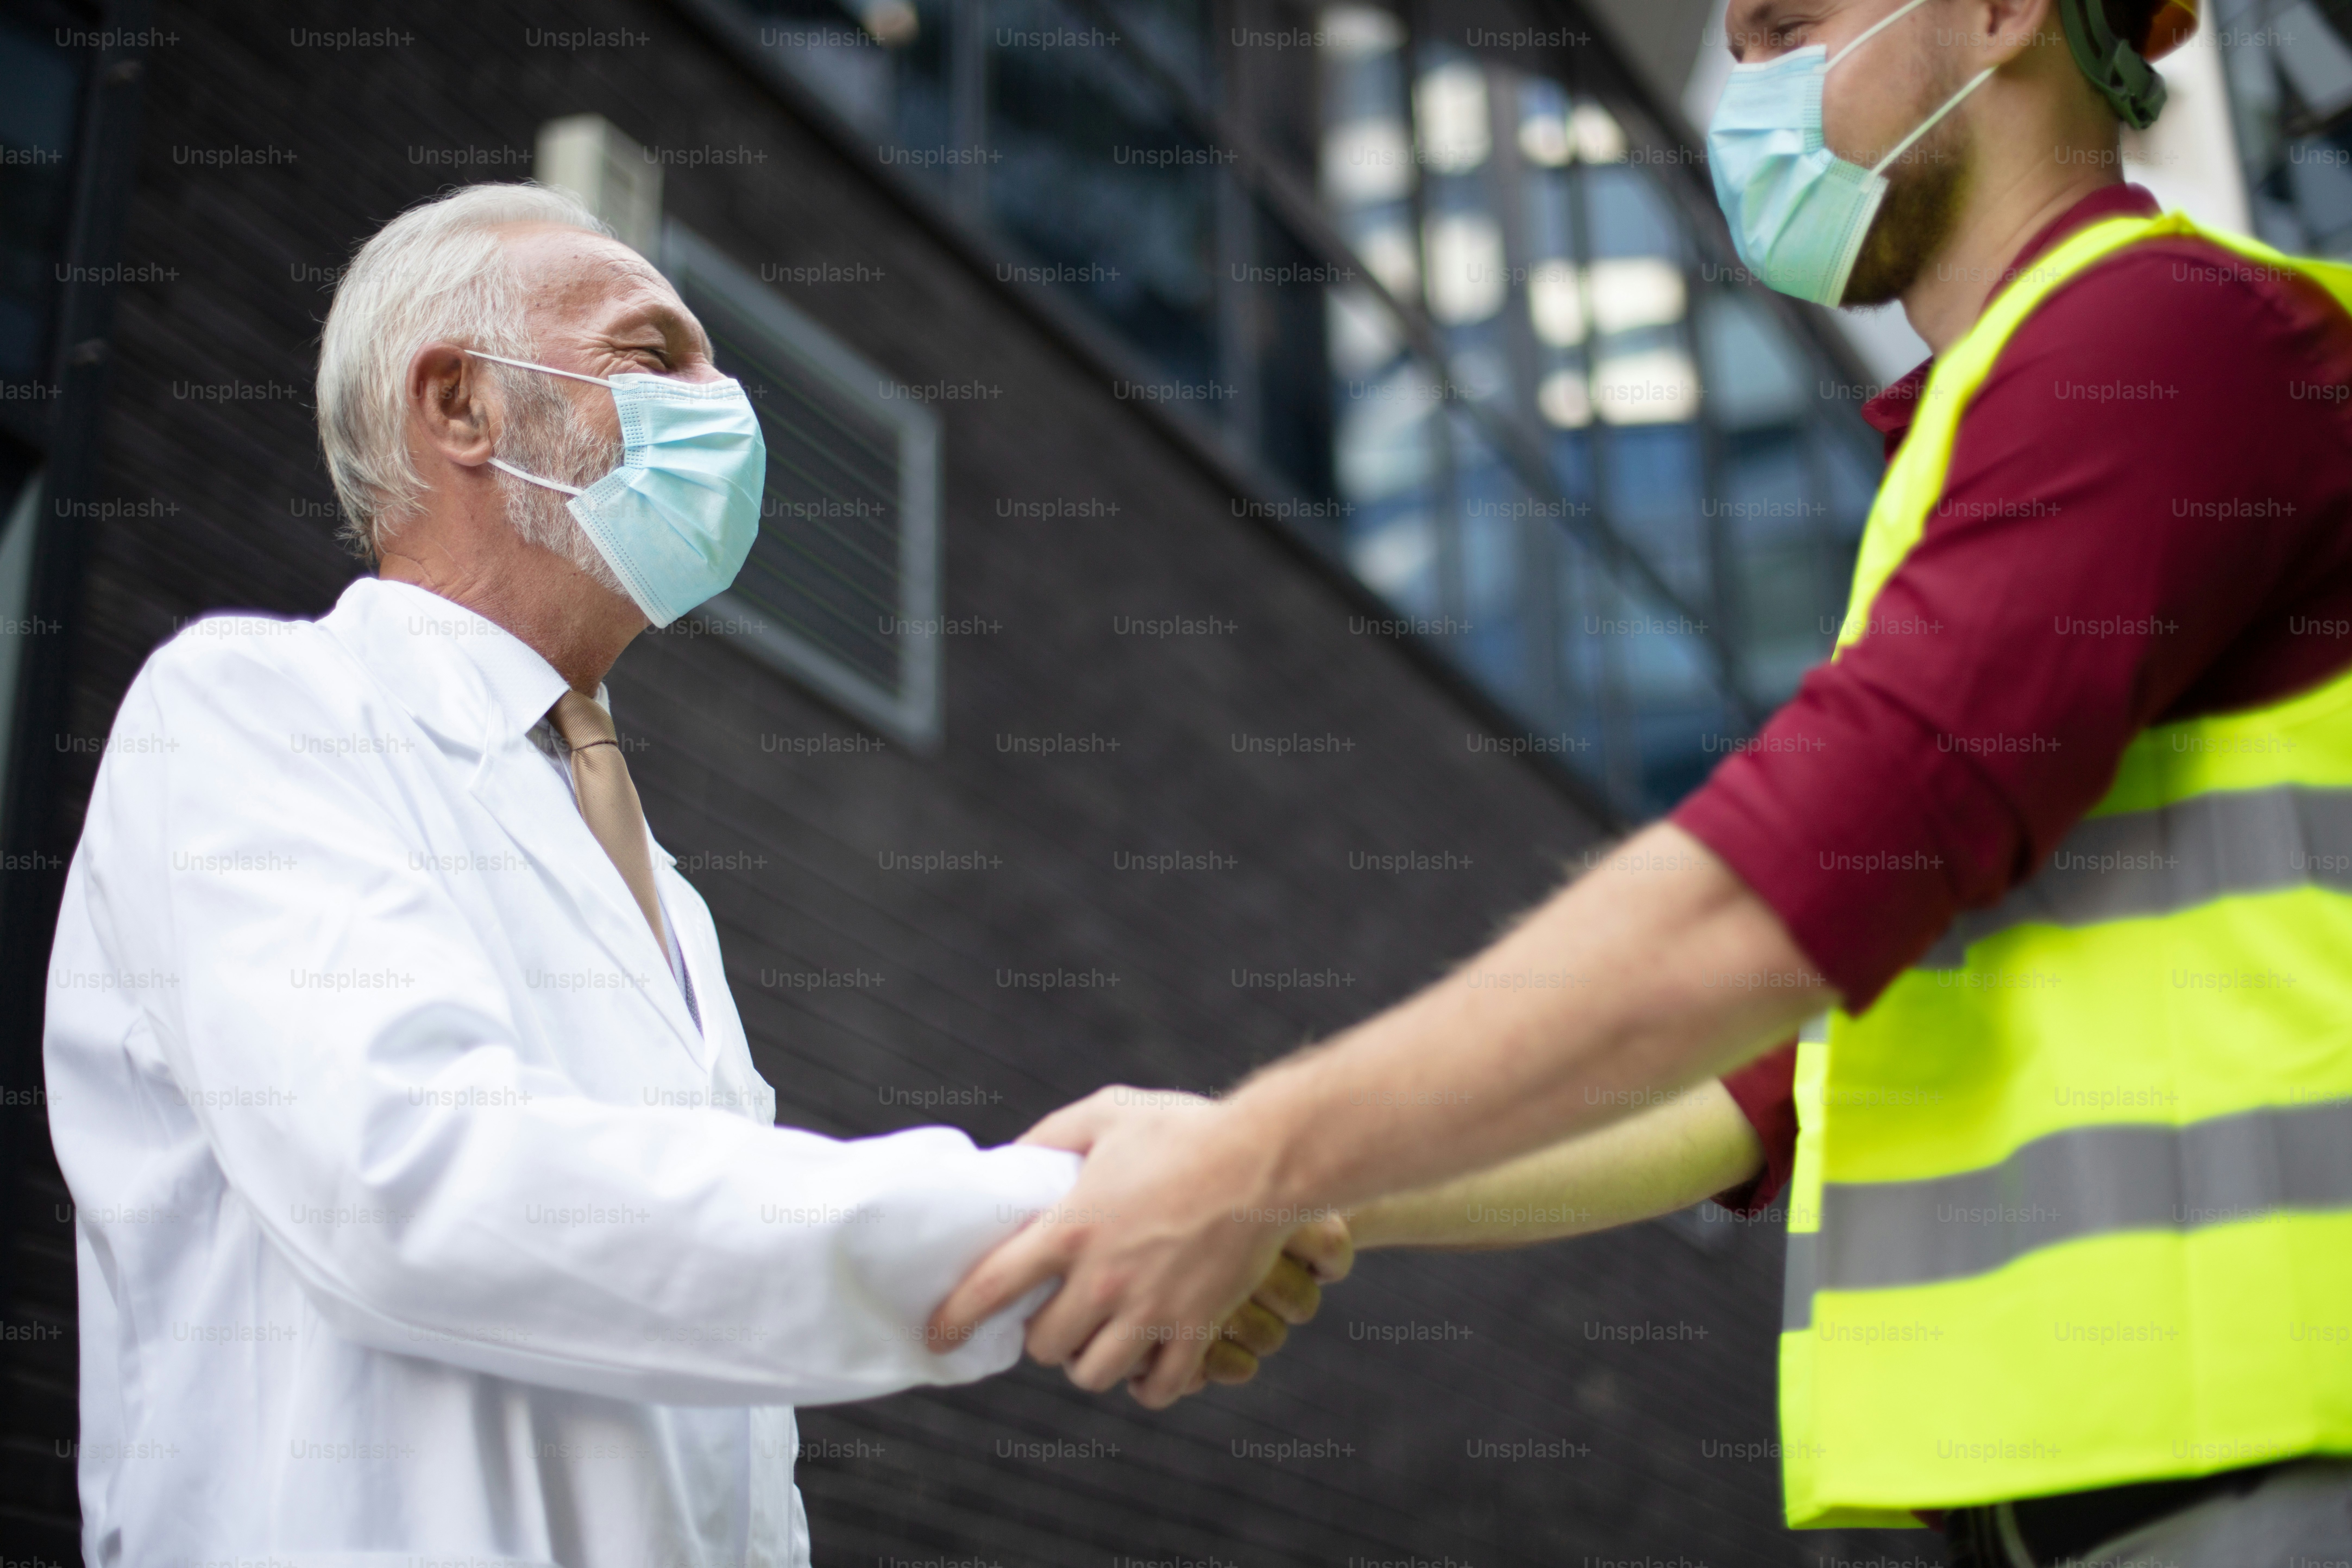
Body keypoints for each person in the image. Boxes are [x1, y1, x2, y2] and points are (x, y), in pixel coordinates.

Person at [934, 0, 2352, 1562]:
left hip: (2269, 1466)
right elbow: (1747, 1085)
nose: (1745, 93)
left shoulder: (2163, 342)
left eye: (1785, 26)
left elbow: (1807, 872)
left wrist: (1257, 1156)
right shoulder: (1990, 438)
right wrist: (1305, 1196)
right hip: (2114, 1494)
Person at [43, 181, 1339, 1568]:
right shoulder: (254, 710)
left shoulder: (657, 885)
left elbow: (708, 1380)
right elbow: (416, 1184)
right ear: (461, 407)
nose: (724, 407)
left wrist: (1137, 1230)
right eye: (653, 357)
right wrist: (1066, 1220)